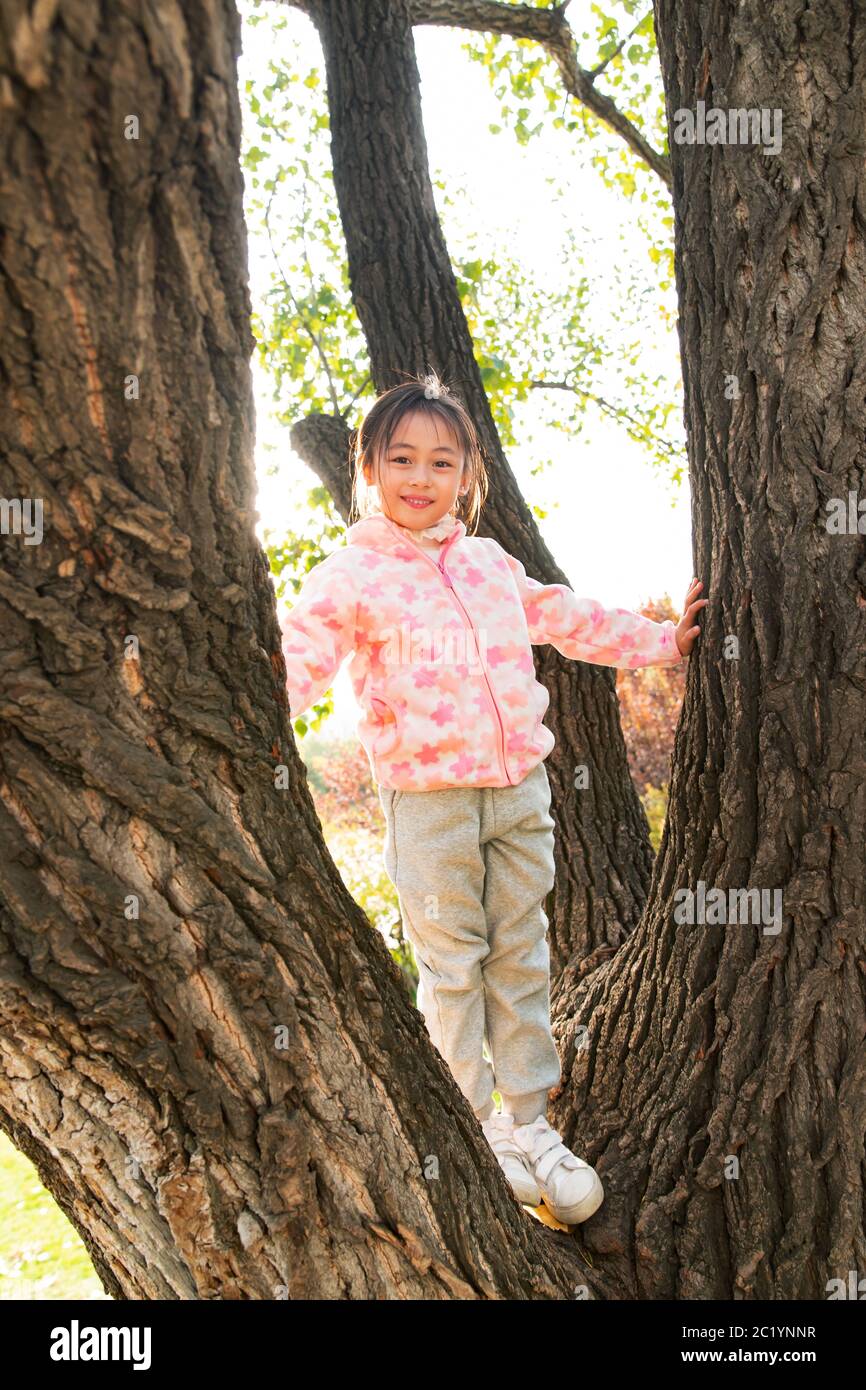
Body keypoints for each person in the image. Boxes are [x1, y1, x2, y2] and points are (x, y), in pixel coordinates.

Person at [276, 370, 706, 1224]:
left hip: (518, 794)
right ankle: (477, 1127)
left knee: (521, 954)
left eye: (442, 462)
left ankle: (534, 1123)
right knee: (453, 964)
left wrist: (664, 642)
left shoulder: (485, 562)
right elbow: (297, 660)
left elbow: (564, 616)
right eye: (401, 459)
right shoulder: (349, 576)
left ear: (468, 475)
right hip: (428, 802)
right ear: (368, 466)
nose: (421, 478)